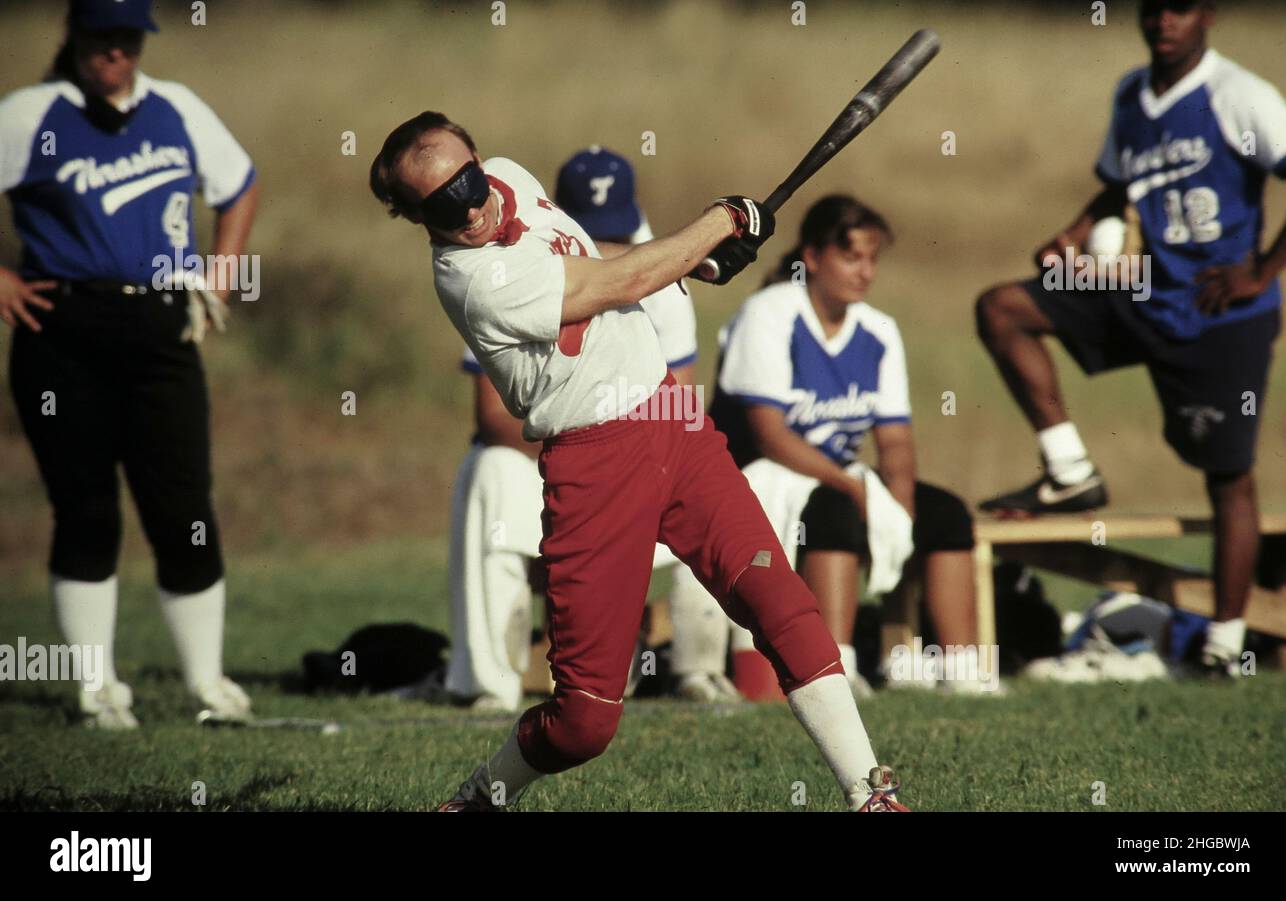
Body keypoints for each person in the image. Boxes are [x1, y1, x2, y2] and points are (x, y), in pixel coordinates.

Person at [369, 111, 909, 811]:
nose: (469, 205)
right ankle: (483, 795)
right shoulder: (474, 278)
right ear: (417, 217)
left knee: (782, 606)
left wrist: (699, 265)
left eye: (468, 180)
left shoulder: (509, 177)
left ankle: (870, 794)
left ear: (477, 156)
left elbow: (598, 259)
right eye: (441, 204)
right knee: (585, 720)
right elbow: (609, 286)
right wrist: (716, 224)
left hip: (673, 423)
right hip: (593, 463)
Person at [974, 0, 1286, 675]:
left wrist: (1262, 270)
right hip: (1142, 288)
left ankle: (1223, 645)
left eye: (1179, 9)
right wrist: (1072, 234)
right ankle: (1070, 472)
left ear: (1207, 15)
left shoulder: (1239, 95)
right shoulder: (1131, 93)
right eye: (1153, 9)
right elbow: (1119, 189)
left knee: (1226, 477)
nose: (1163, 22)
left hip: (1221, 314)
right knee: (1004, 308)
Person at [0, 0, 259, 727]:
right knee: (84, 509)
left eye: (126, 37)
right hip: (64, 326)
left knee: (183, 509)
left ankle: (207, 683)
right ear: (74, 39)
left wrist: (222, 271)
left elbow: (240, 183)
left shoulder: (174, 107)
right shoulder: (33, 113)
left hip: (161, 327)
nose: (113, 52)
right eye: (99, 37)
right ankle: (95, 688)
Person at [446, 145, 736, 710]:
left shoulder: (661, 276)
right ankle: (492, 683)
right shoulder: (495, 267)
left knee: (700, 471)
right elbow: (491, 415)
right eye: (595, 232)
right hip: (543, 456)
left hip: (631, 462)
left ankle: (696, 668)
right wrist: (580, 446)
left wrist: (614, 456)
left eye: (619, 233)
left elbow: (675, 406)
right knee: (488, 468)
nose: (612, 248)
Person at [706, 195, 986, 697]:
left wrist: (896, 506)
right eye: (851, 257)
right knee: (835, 512)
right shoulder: (769, 314)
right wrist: (853, 488)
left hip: (838, 476)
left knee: (946, 514)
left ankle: (961, 670)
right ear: (812, 257)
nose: (865, 273)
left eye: (873, 259)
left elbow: (896, 440)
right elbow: (769, 434)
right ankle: (837, 668)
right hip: (758, 475)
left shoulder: (878, 330)